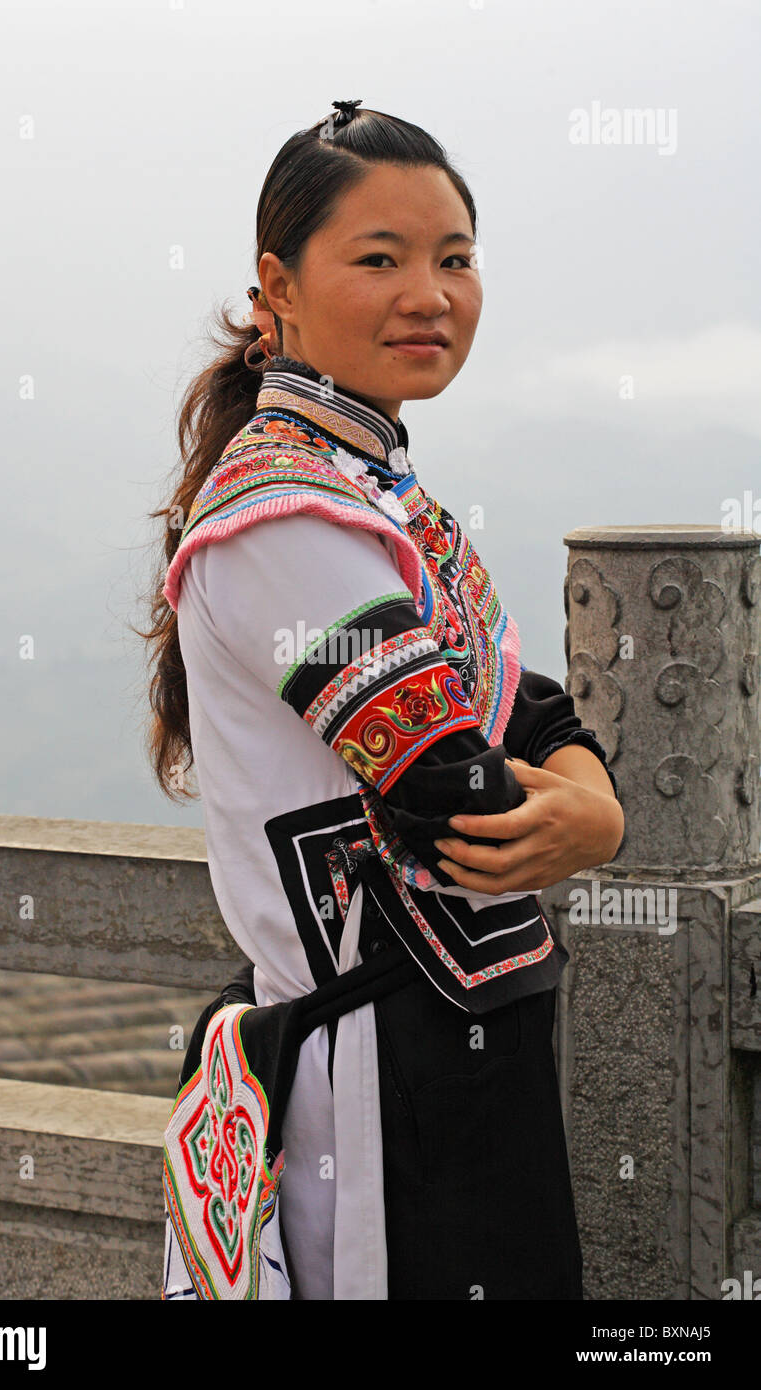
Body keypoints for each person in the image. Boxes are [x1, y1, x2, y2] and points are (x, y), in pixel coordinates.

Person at [143, 99, 624, 1301]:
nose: (430, 293)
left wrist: (594, 806)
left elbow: (533, 712)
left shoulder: (389, 500)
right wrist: (578, 809)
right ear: (278, 286)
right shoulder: (282, 519)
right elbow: (446, 792)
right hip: (371, 1078)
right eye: (380, 259)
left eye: (453, 259)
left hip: (465, 1044)